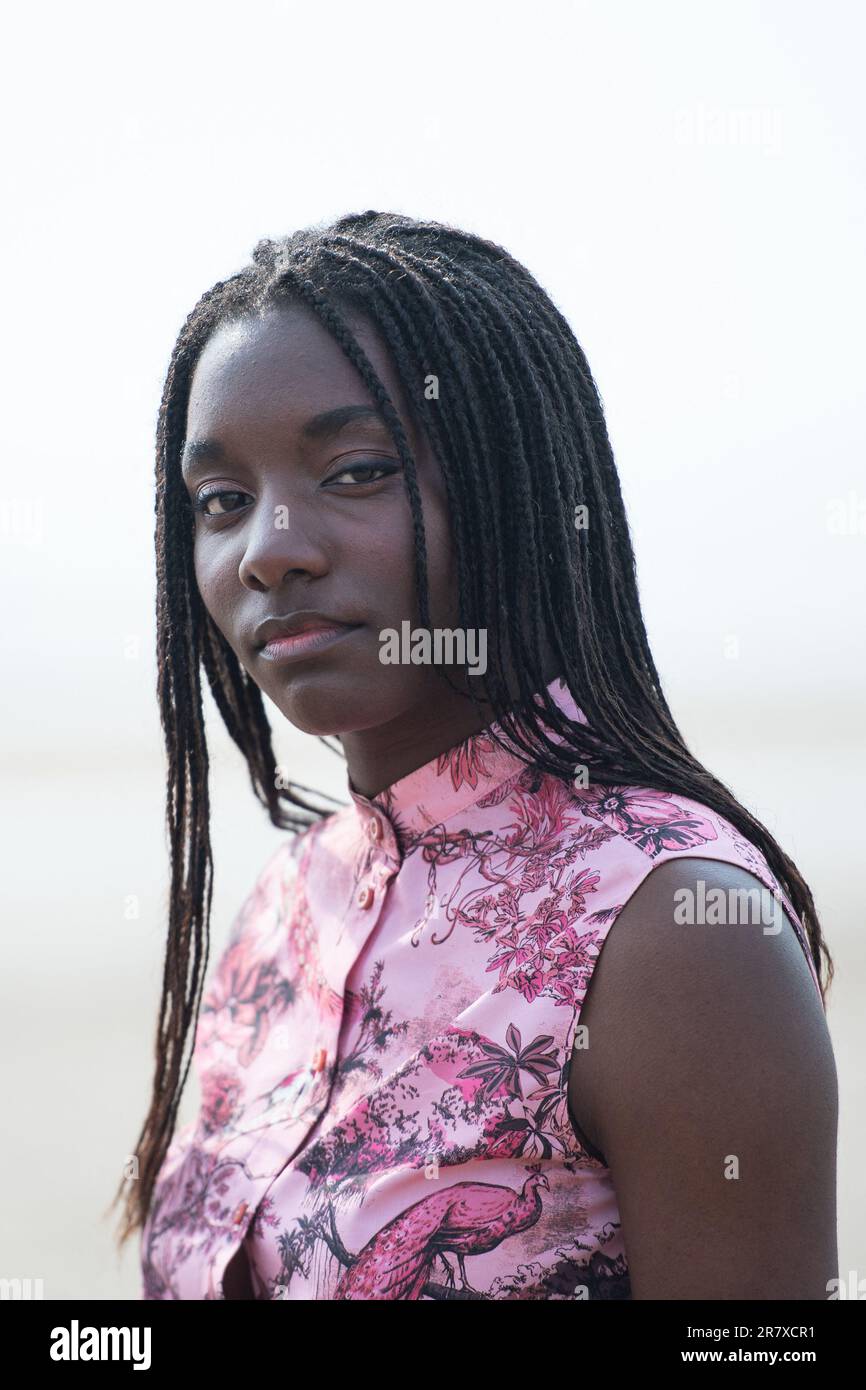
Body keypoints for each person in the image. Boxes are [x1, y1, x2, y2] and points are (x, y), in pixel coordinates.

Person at [112, 211, 838, 1300]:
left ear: (518, 491)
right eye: (222, 501)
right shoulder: (288, 906)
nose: (270, 548)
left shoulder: (673, 930)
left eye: (353, 472)